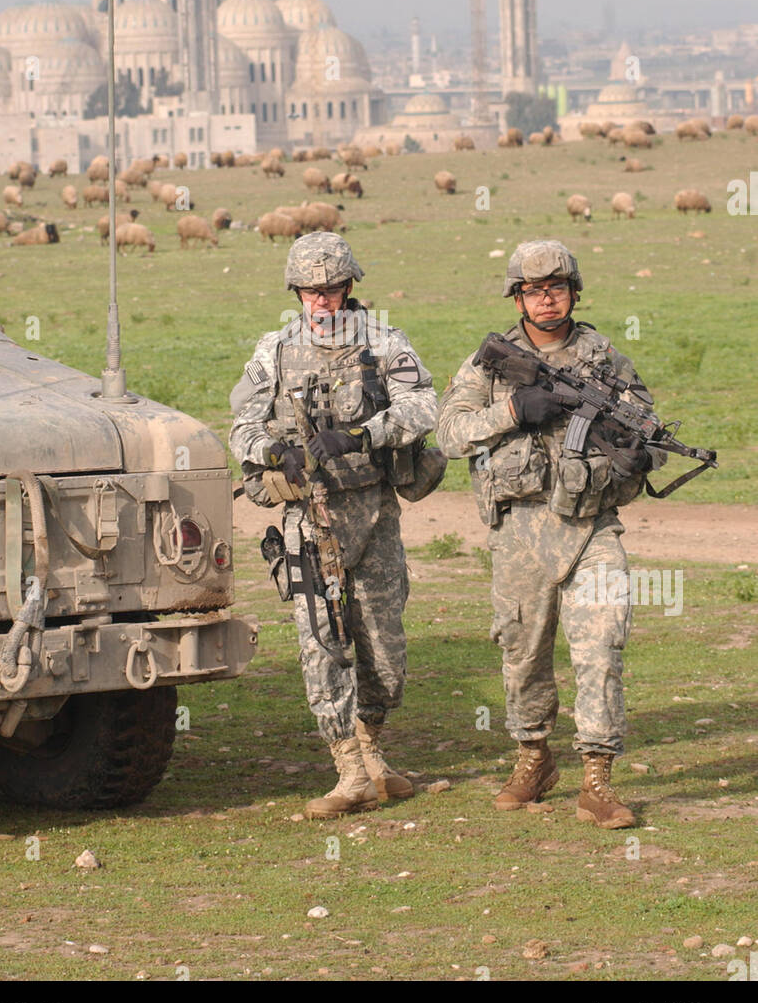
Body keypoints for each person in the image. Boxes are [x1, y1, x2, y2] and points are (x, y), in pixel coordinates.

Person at [437, 240, 665, 829]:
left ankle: (598, 779)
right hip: (518, 530)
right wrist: (513, 411)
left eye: (556, 288)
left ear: (574, 292)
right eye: (533, 290)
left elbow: (647, 431)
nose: (546, 300)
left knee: (601, 648)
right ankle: (533, 761)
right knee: (523, 654)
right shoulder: (489, 362)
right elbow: (449, 435)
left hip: (591, 528)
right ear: (518, 297)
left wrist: (639, 456)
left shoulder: (603, 357)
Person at [230, 232, 440, 818]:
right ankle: (347, 764)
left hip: (373, 513)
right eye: (311, 292)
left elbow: (425, 406)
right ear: (296, 292)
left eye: (331, 289)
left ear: (349, 288)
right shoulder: (274, 351)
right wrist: (274, 454)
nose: (322, 301)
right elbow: (240, 426)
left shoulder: (384, 342)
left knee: (384, 649)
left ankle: (373, 748)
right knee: (322, 642)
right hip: (308, 518)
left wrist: (361, 434)